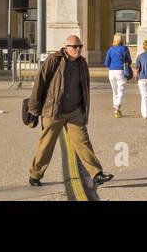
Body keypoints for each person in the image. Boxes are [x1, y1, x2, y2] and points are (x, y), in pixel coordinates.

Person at [27, 34, 113, 187]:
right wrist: (34, 108)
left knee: (83, 142)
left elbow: (84, 87)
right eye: (74, 47)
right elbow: (40, 82)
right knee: (46, 144)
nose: (78, 49)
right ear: (66, 48)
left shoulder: (82, 63)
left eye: (80, 46)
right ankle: (35, 175)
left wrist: (83, 109)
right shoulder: (54, 60)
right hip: (54, 111)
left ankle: (96, 174)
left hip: (75, 111)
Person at [104, 33, 132, 118]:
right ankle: (118, 106)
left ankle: (115, 107)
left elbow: (106, 63)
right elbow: (129, 61)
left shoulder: (110, 49)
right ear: (122, 40)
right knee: (121, 90)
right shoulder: (124, 48)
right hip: (121, 71)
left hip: (111, 72)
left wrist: (111, 67)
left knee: (114, 91)